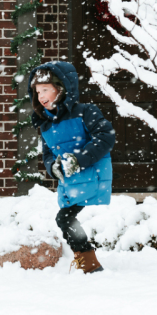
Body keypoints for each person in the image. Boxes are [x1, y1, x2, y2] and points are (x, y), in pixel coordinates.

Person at [29, 61, 115, 273]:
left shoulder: (85, 112)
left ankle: (89, 264)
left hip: (91, 175)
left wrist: (78, 160)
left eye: (45, 89)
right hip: (70, 182)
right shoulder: (45, 123)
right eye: (37, 92)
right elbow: (48, 153)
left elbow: (105, 137)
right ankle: (87, 263)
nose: (41, 96)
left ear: (61, 89)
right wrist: (53, 167)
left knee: (64, 218)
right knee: (65, 219)